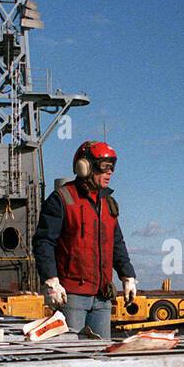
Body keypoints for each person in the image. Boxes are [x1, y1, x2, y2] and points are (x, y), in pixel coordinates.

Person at [33, 140, 137, 341]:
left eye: (112, 168)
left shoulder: (108, 204)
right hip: (72, 297)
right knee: (70, 358)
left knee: (100, 359)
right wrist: (51, 281)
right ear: (85, 166)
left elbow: (117, 244)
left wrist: (127, 276)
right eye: (104, 167)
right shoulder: (62, 198)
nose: (109, 173)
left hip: (102, 297)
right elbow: (44, 241)